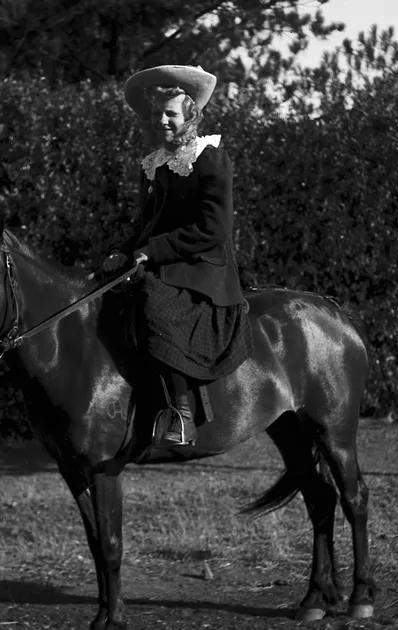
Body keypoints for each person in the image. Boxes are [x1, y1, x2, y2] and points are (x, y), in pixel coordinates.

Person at [101, 65, 252, 446]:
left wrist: (150, 253)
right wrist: (122, 251)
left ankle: (180, 413)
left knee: (153, 302)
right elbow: (144, 222)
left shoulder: (210, 158)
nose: (163, 121)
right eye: (157, 114)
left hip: (205, 270)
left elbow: (213, 229)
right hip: (162, 263)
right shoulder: (152, 165)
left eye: (171, 114)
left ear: (190, 116)